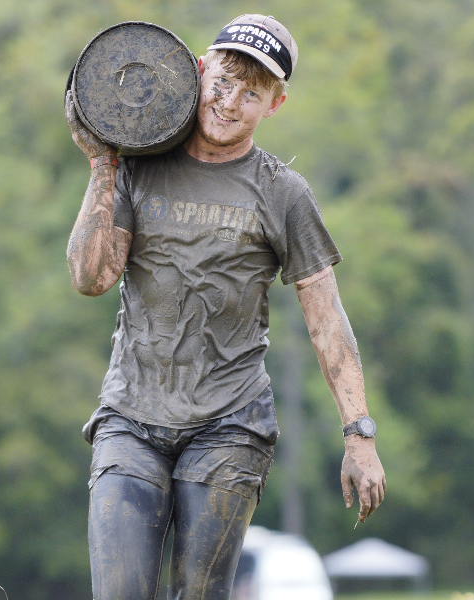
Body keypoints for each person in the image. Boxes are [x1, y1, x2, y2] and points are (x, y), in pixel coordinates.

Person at [64, 14, 386, 600]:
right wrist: (102, 164)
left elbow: (326, 319)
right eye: (224, 81)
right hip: (131, 415)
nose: (230, 102)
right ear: (199, 69)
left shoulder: (283, 192)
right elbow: (92, 278)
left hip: (229, 424)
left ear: (275, 104)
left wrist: (359, 437)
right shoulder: (138, 165)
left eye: (251, 93)